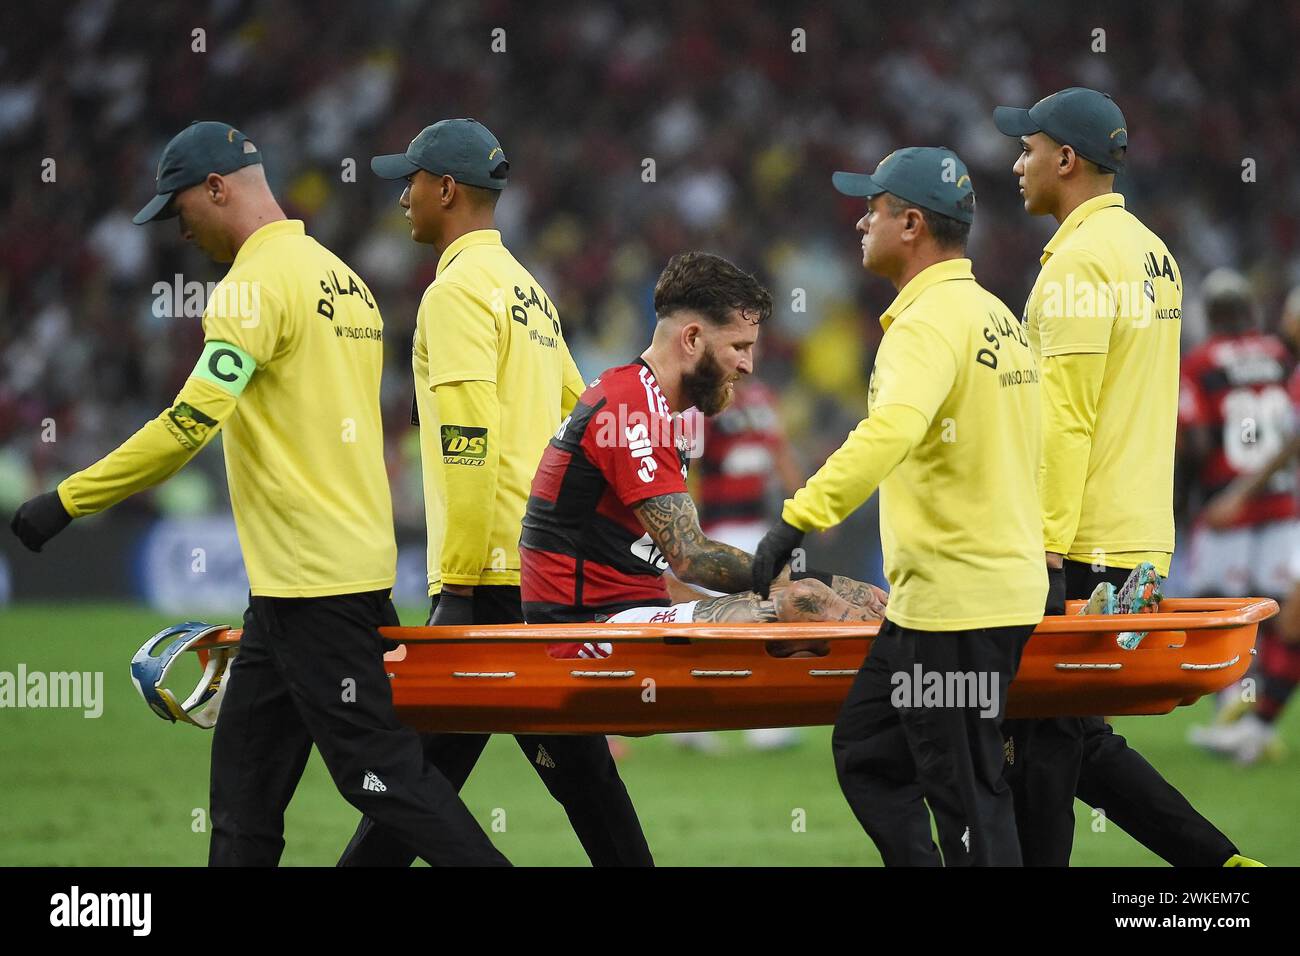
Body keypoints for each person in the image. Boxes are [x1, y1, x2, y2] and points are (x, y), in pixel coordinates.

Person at [9, 121, 506, 866]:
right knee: (245, 800)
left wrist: (65, 501)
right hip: (324, 581)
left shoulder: (251, 287)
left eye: (180, 210)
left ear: (216, 189)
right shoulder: (347, 283)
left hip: (312, 588)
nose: (180, 232)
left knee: (384, 781)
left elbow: (187, 425)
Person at [338, 119, 653, 868]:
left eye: (411, 181)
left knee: (413, 782)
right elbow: (587, 414)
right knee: (574, 779)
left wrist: (455, 585)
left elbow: (467, 446)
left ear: (446, 189)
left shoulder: (454, 294)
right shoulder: (530, 294)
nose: (403, 197)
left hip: (488, 580)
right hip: (538, 575)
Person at [753, 147, 1046, 866]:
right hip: (971, 594)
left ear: (911, 224)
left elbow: (888, 432)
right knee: (869, 748)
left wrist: (798, 517)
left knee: (967, 795)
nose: (861, 223)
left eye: (873, 210)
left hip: (958, 602)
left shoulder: (924, 324)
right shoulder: (994, 316)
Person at [993, 87, 1259, 866]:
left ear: (1065, 159)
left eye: (1027, 149)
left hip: (1081, 537)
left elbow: (1067, 418)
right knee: (1068, 731)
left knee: (1041, 736)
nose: (1017, 164)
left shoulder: (1078, 263)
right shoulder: (1154, 254)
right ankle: (1223, 866)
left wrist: (1043, 547)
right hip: (1137, 536)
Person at [519, 250, 888, 633]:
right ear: (692, 339)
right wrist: (824, 584)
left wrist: (826, 592)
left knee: (833, 603)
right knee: (809, 601)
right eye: (739, 347)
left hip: (625, 612)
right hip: (582, 628)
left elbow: (652, 577)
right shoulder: (631, 406)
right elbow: (691, 557)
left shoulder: (652, 406)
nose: (748, 366)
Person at [1188, 277, 1300, 763]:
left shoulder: (1201, 363)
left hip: (1229, 500)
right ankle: (1253, 722)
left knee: (1220, 609)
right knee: (1279, 614)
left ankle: (1238, 706)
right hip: (1283, 503)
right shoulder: (1280, 356)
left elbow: (1194, 440)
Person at [676, 378, 809, 751]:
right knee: (705, 627)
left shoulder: (763, 398)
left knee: (768, 622)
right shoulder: (703, 404)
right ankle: (690, 721)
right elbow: (686, 466)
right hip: (714, 530)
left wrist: (805, 505)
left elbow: (779, 453)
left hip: (758, 527)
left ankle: (765, 722)